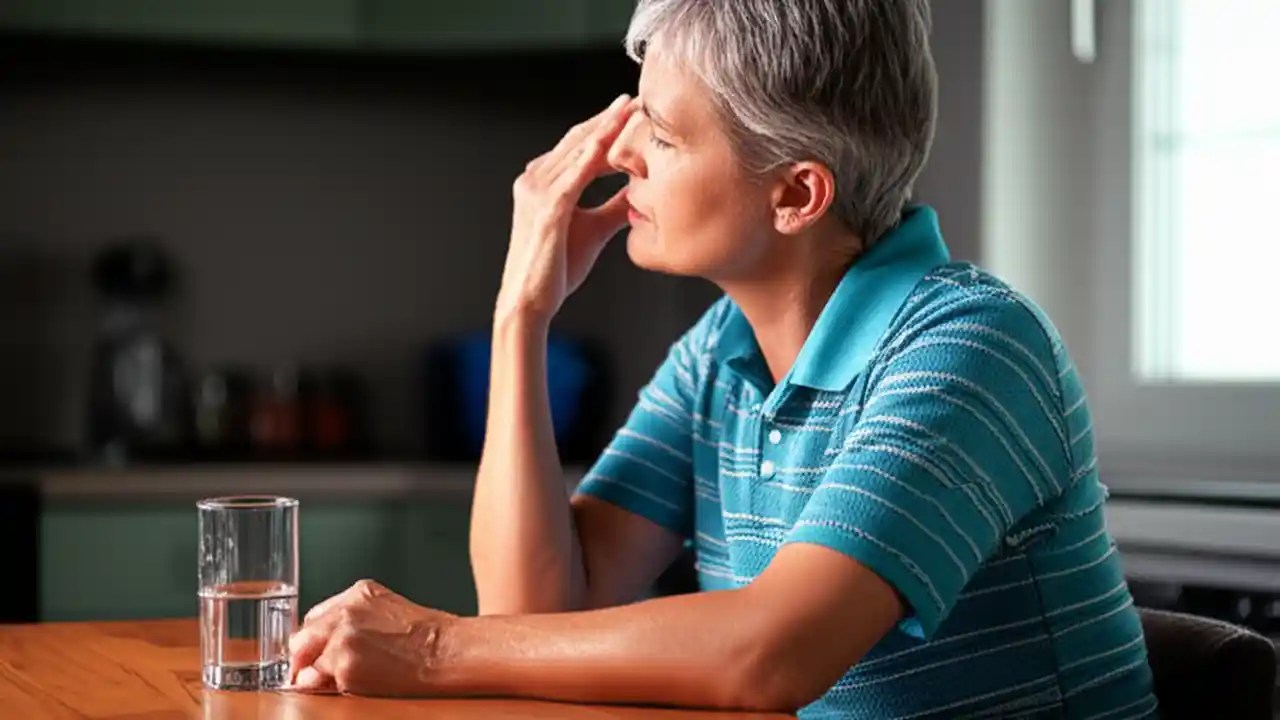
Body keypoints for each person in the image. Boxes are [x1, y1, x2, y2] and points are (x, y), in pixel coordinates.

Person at [286, 1, 1159, 717]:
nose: (620, 152)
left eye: (660, 134)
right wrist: (522, 316)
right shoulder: (720, 354)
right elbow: (534, 616)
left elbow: (768, 653)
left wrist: (432, 647)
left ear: (795, 195)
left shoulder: (970, 348)